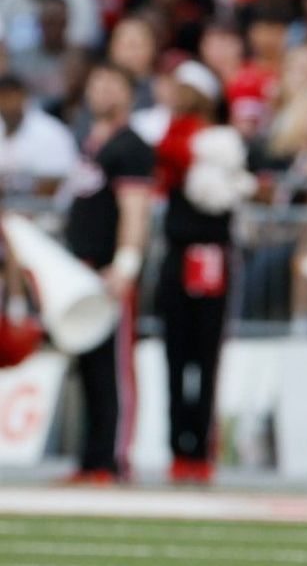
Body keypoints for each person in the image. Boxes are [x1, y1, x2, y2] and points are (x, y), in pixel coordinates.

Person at [155, 59, 253, 485]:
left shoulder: (222, 144)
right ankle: (178, 447)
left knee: (208, 358)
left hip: (214, 259)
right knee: (176, 358)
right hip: (179, 260)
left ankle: (202, 447)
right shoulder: (173, 143)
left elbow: (227, 195)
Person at [60, 62, 154, 484]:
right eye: (95, 82)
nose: (101, 90)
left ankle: (112, 459)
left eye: (110, 83)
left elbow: (136, 210)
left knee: (112, 369)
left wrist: (126, 263)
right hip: (81, 271)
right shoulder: (91, 142)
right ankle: (89, 459)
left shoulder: (130, 145)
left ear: (128, 93)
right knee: (87, 368)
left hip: (107, 270)